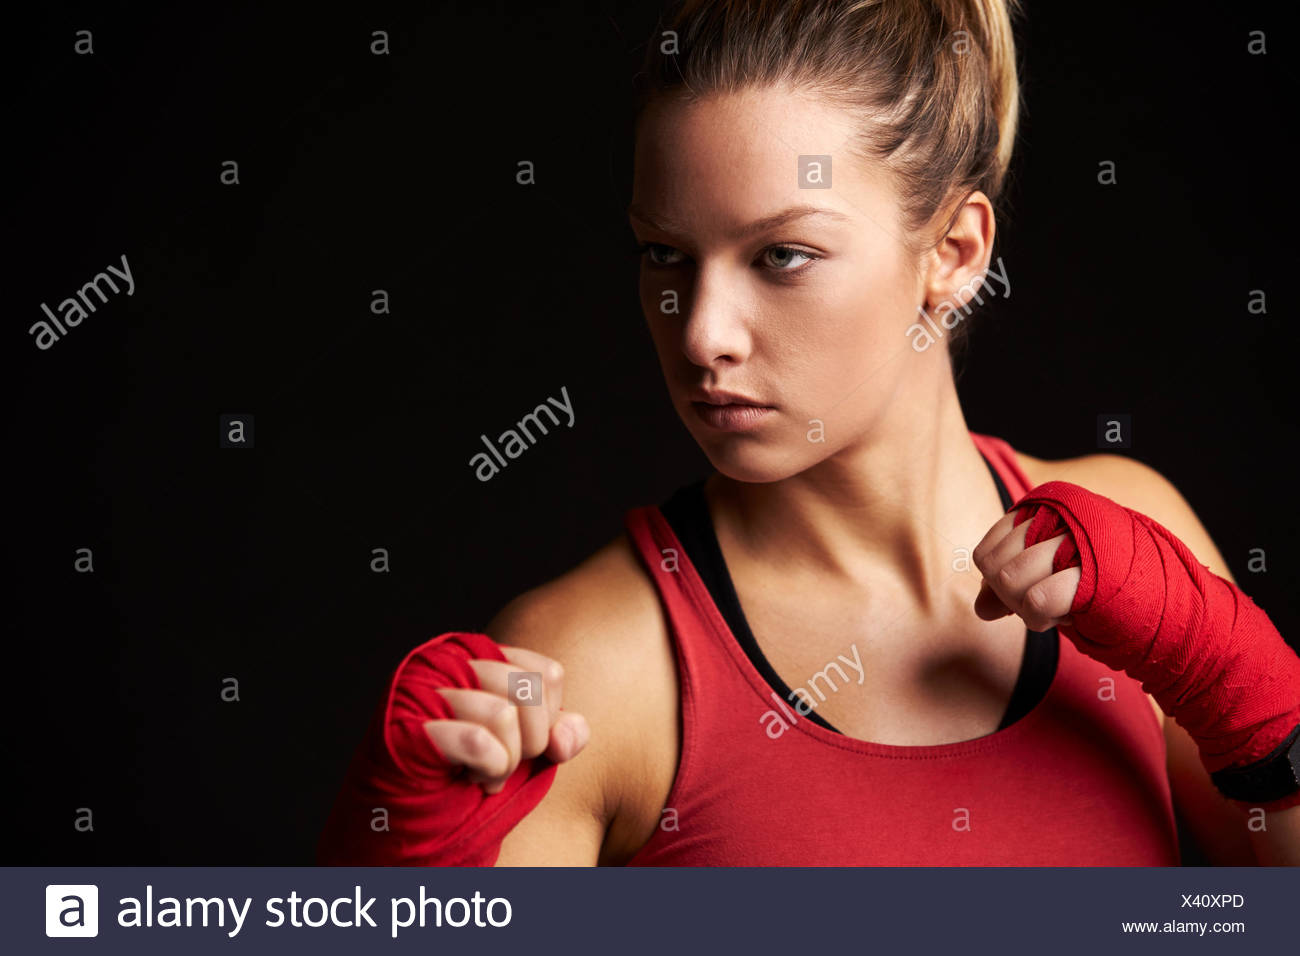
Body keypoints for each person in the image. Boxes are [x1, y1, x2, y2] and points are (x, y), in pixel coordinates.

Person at [317, 0, 1300, 866]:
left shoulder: (1137, 532)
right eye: (665, 253)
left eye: (780, 254)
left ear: (952, 255)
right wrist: (399, 866)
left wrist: (1238, 676)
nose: (701, 332)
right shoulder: (595, 664)